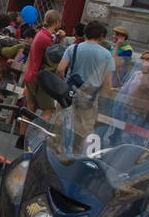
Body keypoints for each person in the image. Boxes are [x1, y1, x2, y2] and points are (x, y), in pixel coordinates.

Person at [55, 20, 116, 149]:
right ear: (101, 36)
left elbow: (60, 69)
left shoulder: (73, 48)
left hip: (70, 92)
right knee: (82, 133)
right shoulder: (107, 55)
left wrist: (64, 83)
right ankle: (74, 157)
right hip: (90, 97)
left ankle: (55, 153)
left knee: (60, 126)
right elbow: (107, 83)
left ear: (86, 33)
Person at [23, 9, 62, 119]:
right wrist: (61, 40)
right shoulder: (46, 38)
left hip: (30, 74)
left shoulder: (40, 34)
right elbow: (55, 57)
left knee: (31, 107)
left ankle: (22, 135)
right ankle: (39, 136)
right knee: (48, 109)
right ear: (56, 22)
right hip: (39, 78)